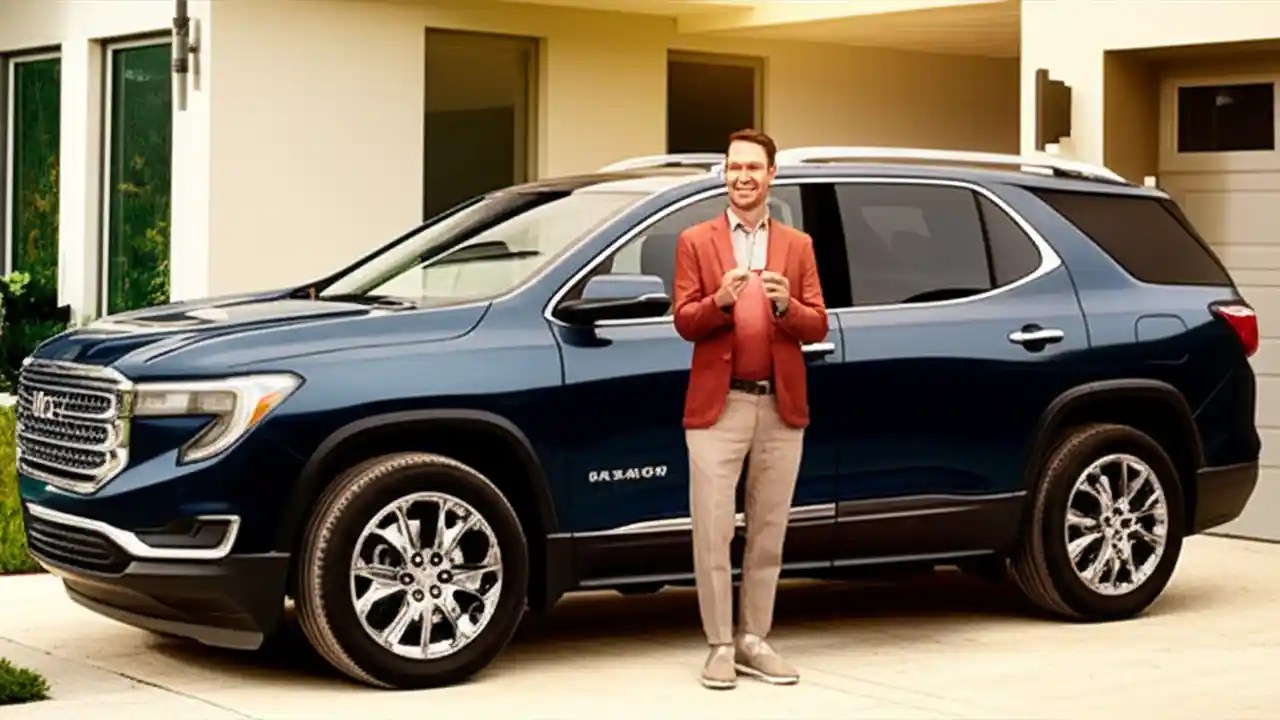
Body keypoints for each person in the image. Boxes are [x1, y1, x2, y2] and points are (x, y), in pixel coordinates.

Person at [671, 128, 829, 690]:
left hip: (780, 407)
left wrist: (787, 307)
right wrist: (721, 301)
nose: (743, 177)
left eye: (753, 168)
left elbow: (819, 323)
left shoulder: (798, 244)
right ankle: (718, 645)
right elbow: (684, 320)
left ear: (771, 176)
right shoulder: (696, 240)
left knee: (768, 531)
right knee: (712, 532)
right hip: (719, 407)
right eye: (734, 167)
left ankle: (753, 639)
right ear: (724, 173)